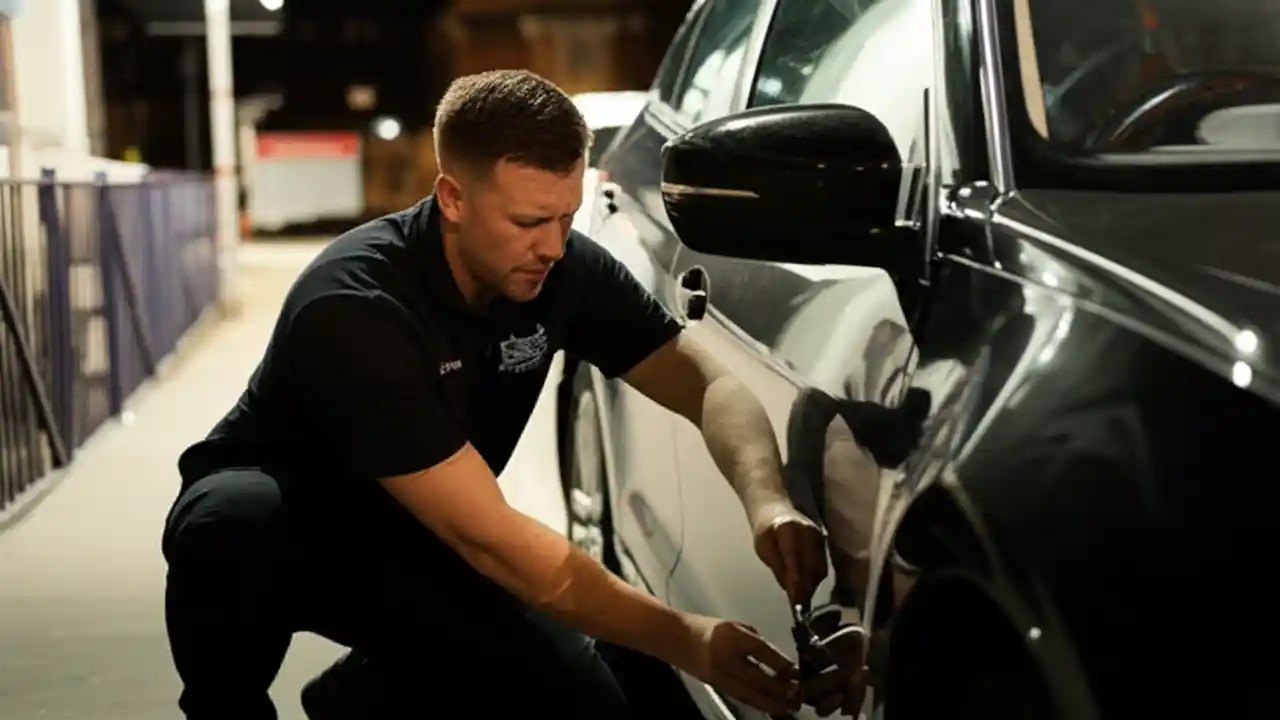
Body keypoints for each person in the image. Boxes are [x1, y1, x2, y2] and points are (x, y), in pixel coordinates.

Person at [161, 69, 831, 719]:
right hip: (290, 529)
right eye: (528, 221)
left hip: (422, 529)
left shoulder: (561, 268)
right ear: (452, 199)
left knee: (580, 698)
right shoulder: (354, 306)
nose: (552, 246)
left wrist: (768, 502)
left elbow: (709, 383)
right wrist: (686, 639)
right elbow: (492, 541)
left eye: (566, 217)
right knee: (232, 523)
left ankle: (359, 700)